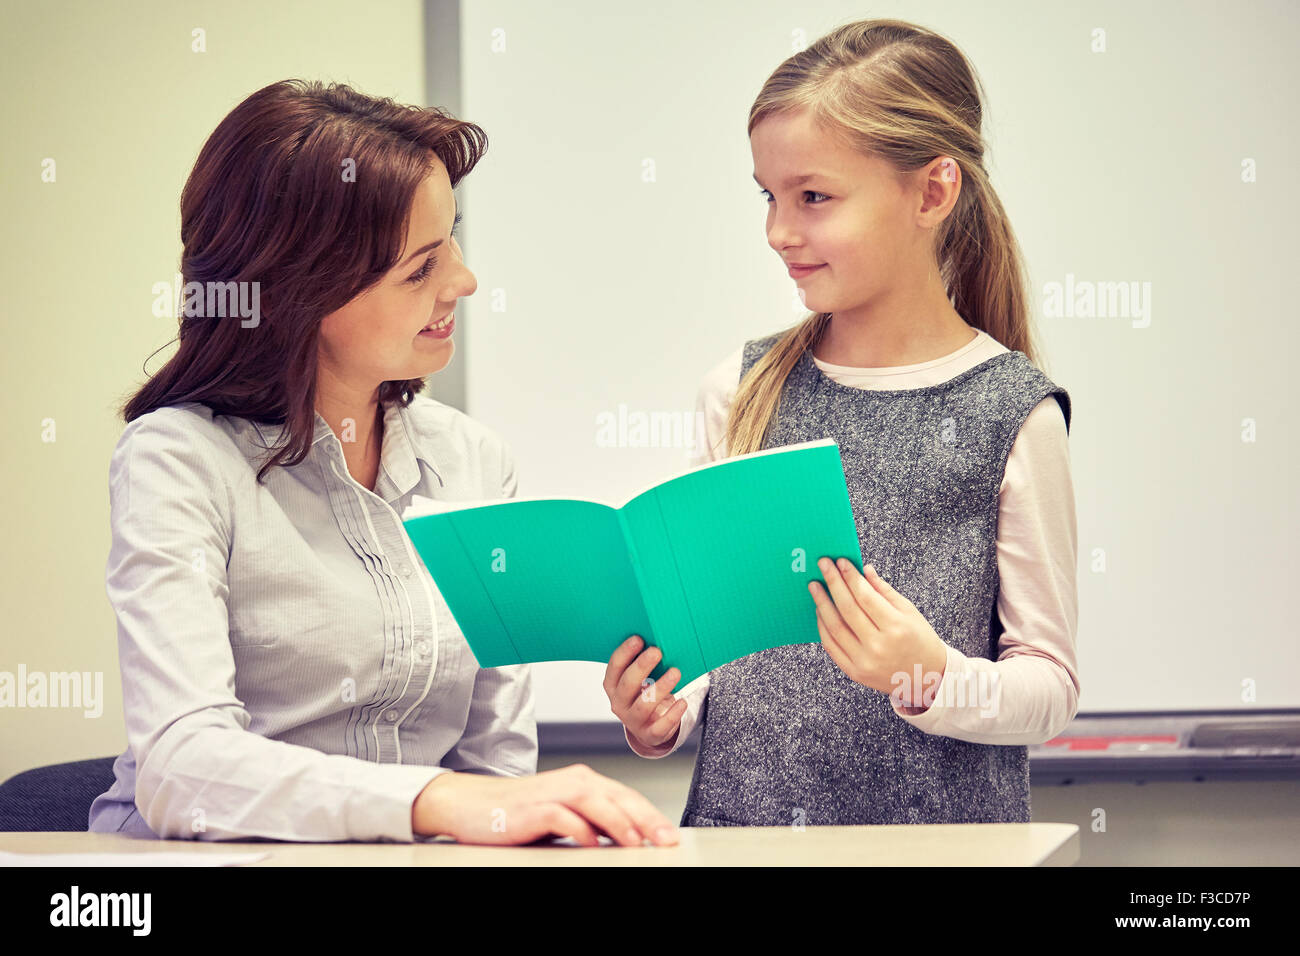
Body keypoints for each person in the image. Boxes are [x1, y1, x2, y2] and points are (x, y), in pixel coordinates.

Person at [89, 78, 677, 848]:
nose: (463, 281)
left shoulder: (473, 463)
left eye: (454, 241)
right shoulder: (178, 460)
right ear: (305, 293)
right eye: (420, 266)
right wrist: (433, 800)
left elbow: (495, 772)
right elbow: (182, 767)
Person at [605, 18, 1080, 826]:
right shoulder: (741, 388)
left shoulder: (1013, 411)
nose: (779, 232)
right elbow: (712, 637)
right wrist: (663, 709)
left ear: (933, 191)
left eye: (814, 197)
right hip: (740, 838)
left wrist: (927, 674)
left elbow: (1050, 684)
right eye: (770, 196)